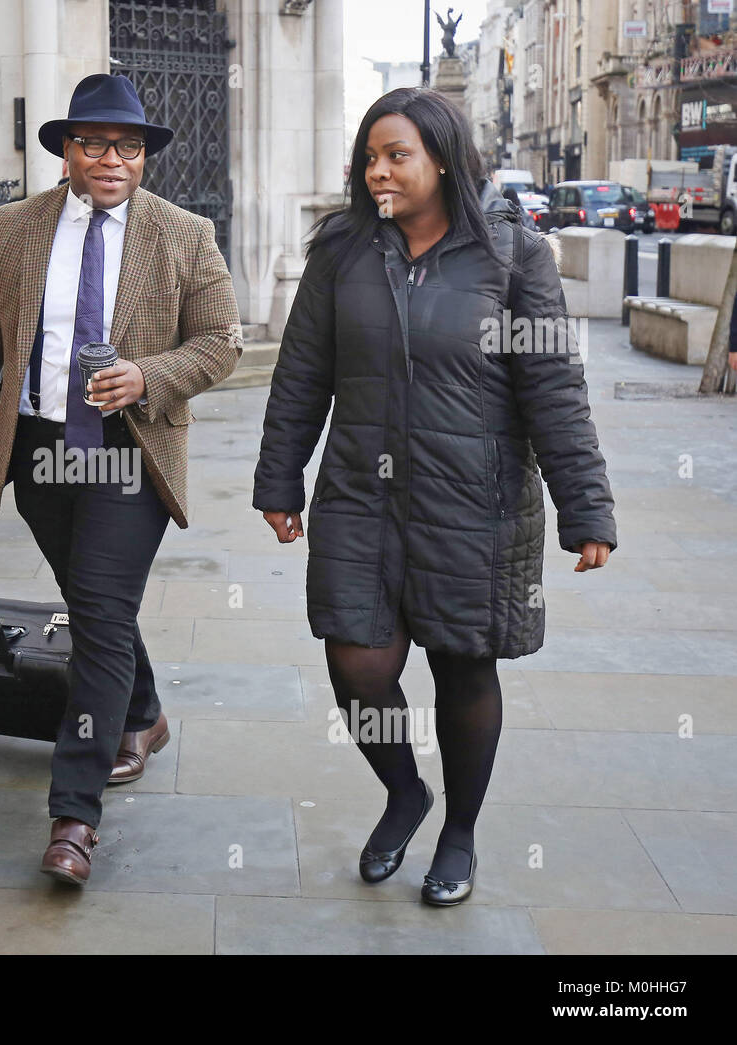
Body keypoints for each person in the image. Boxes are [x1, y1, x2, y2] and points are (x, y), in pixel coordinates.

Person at [253, 87, 616, 906]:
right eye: (369, 157)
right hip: (358, 495)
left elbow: (555, 387)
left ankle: (458, 831)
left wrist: (585, 506)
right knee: (357, 661)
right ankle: (405, 791)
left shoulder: (514, 255)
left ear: (443, 159)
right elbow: (302, 374)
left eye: (397, 155)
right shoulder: (343, 250)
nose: (377, 171)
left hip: (473, 502)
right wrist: (279, 478)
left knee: (462, 665)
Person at [0, 73, 241, 885]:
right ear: (65, 151)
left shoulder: (184, 234)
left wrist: (148, 374)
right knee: (100, 603)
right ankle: (145, 713)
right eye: (93, 143)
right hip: (43, 455)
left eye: (128, 146)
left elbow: (222, 340)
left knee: (95, 610)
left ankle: (73, 815)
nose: (112, 159)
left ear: (144, 157)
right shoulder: (14, 228)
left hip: (130, 453)